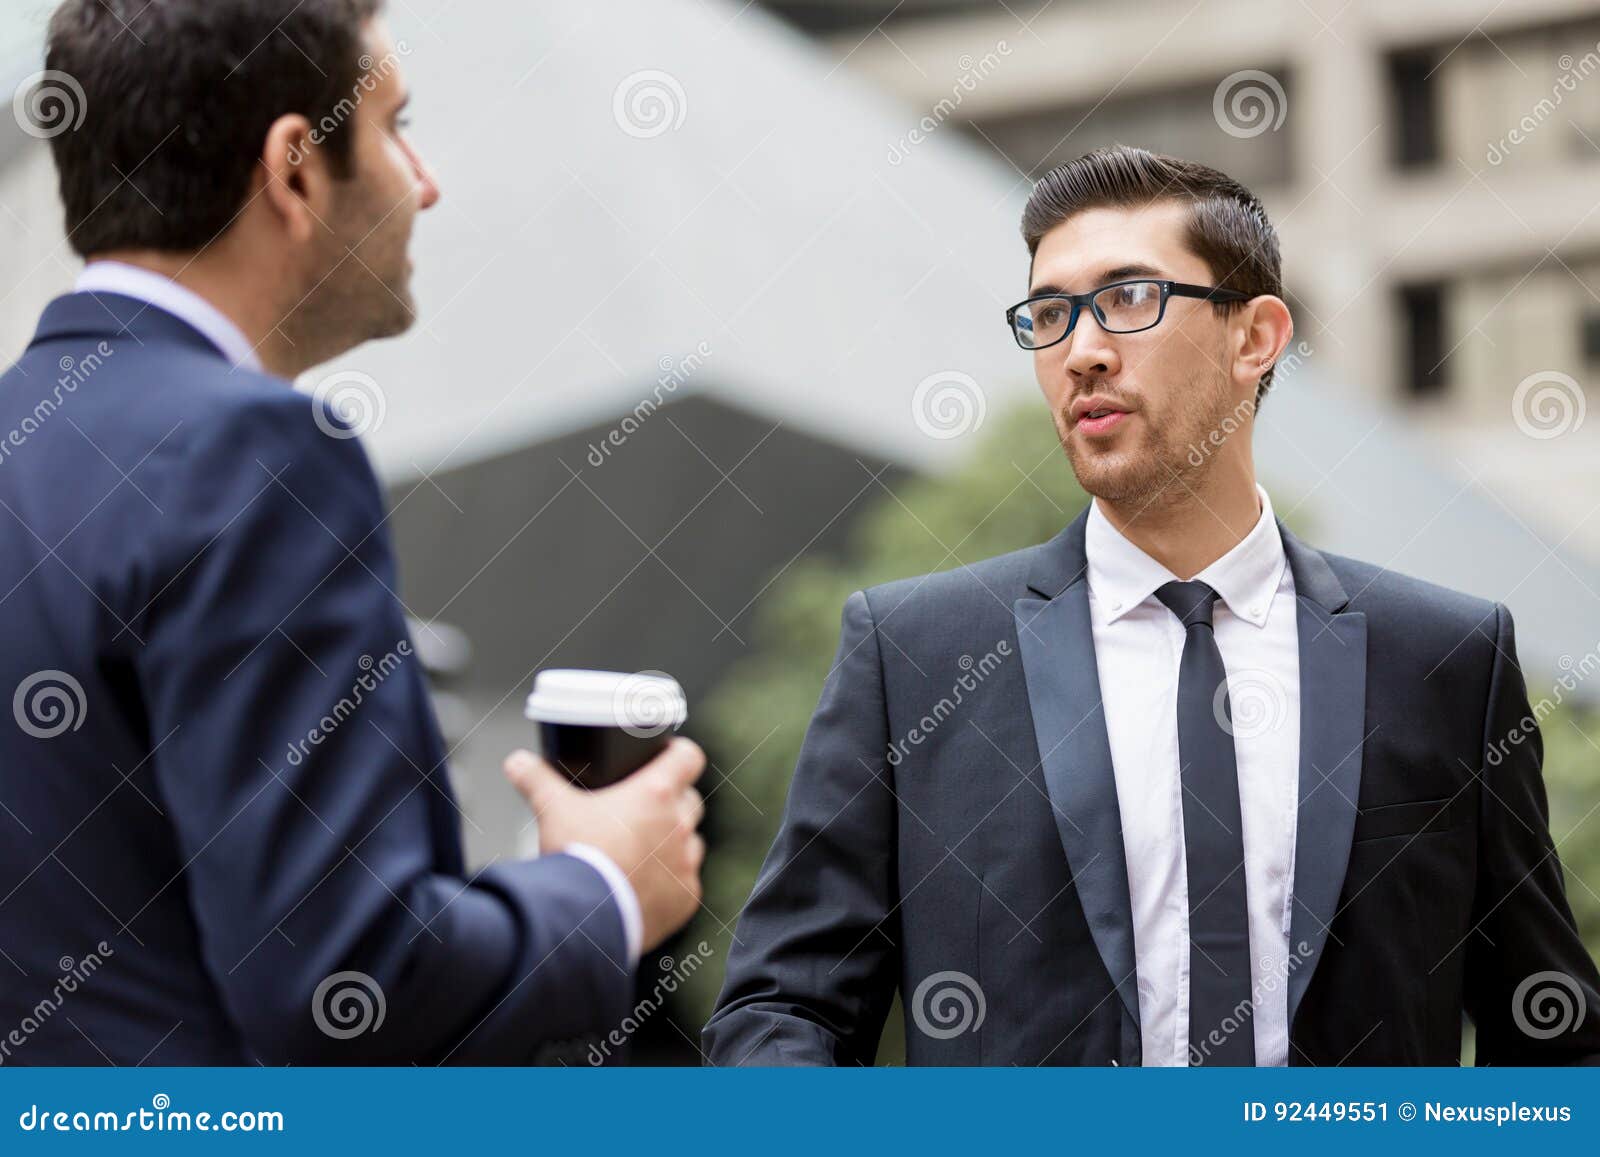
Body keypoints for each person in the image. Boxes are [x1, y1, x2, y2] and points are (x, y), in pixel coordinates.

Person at [704, 144, 1600, 1066]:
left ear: (1254, 337)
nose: (1082, 351)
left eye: (1129, 298)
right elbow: (785, 1007)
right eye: (1051, 314)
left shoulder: (1445, 659)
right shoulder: (915, 655)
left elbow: (1553, 1031)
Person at [0, 0, 703, 1064]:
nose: (423, 183)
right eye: (395, 128)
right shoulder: (259, 450)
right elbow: (348, 979)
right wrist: (602, 885)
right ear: (293, 168)